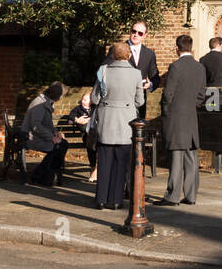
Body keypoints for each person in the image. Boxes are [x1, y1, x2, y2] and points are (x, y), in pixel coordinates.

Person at [155, 34, 206, 207]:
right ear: (191, 48)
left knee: (176, 158)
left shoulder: (175, 67)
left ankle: (172, 196)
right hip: (191, 117)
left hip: (176, 118)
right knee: (191, 158)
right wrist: (192, 106)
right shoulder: (200, 68)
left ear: (177, 49)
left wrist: (166, 111)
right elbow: (201, 95)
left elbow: (168, 94)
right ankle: (191, 196)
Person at [91, 42, 144, 210]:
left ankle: (100, 199)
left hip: (107, 120)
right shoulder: (136, 74)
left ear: (113, 55)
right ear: (128, 55)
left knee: (104, 159)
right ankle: (115, 200)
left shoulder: (103, 71)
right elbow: (140, 101)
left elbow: (94, 98)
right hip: (126, 122)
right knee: (121, 163)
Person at [106, 20, 159, 119]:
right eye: (133, 31)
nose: (136, 35)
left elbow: (155, 76)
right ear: (130, 32)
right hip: (118, 100)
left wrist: (150, 84)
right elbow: (104, 70)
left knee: (137, 133)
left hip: (139, 102)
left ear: (144, 36)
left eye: (140, 33)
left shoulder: (149, 54)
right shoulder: (117, 49)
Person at [22, 82, 69, 186]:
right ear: (57, 95)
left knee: (63, 145)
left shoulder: (45, 102)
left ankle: (47, 175)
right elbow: (36, 126)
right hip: (31, 138)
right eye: (62, 96)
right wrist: (52, 138)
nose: (62, 98)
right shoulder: (40, 104)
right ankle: (41, 176)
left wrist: (55, 132)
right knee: (57, 147)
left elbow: (47, 124)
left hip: (39, 136)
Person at [64, 90, 98, 180]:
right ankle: (93, 168)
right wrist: (74, 120)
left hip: (95, 134)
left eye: (85, 100)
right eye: (83, 99)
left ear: (91, 101)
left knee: (95, 146)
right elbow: (71, 115)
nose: (83, 101)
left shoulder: (95, 109)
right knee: (91, 145)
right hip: (86, 135)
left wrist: (90, 119)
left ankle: (95, 169)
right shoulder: (78, 109)